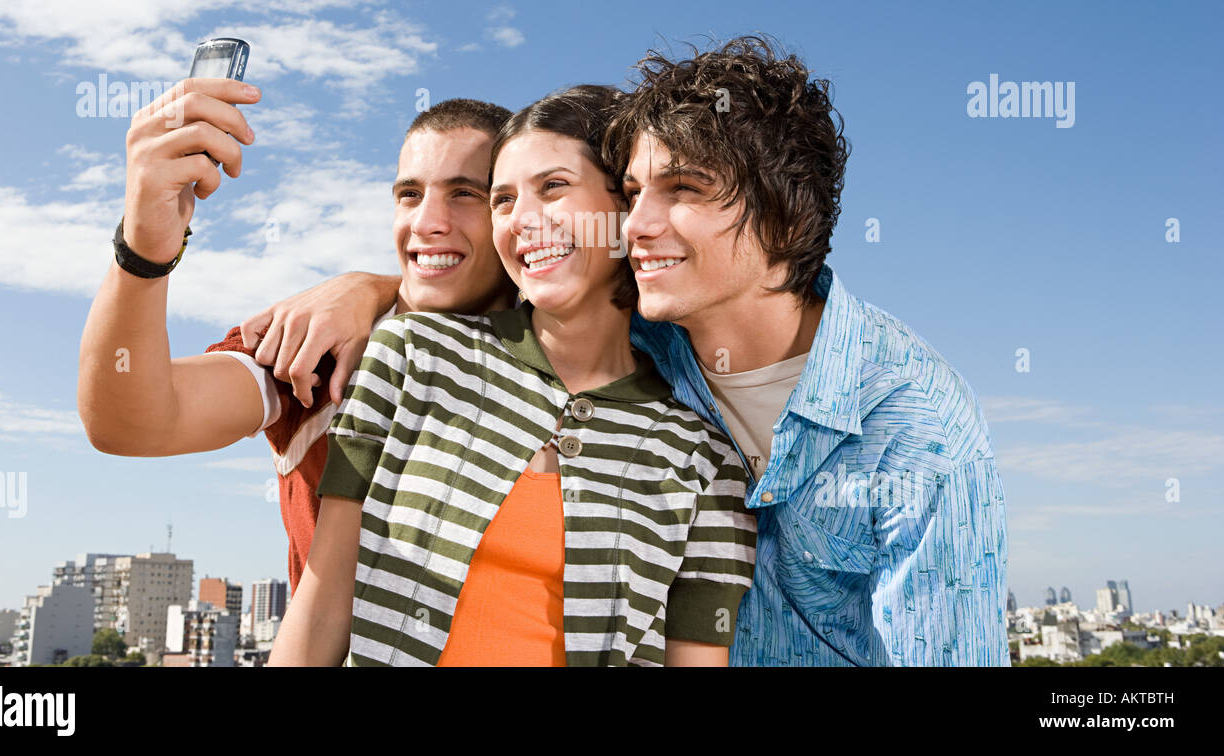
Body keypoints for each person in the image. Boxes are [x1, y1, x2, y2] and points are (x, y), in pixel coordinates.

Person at [261, 36, 1011, 666]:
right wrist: (369, 289)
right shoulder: (641, 321)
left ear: (783, 219)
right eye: (632, 190)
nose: (639, 223)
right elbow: (518, 284)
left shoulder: (921, 432)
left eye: (682, 190)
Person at [268, 85, 756, 667]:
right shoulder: (412, 357)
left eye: (553, 187)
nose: (522, 220)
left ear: (625, 209)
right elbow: (322, 609)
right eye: (502, 200)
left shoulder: (705, 460)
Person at [77, 77, 515, 591]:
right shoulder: (313, 343)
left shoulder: (576, 350)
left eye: (465, 193)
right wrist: (143, 251)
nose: (426, 222)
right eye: (410, 195)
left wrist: (370, 284)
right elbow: (128, 423)